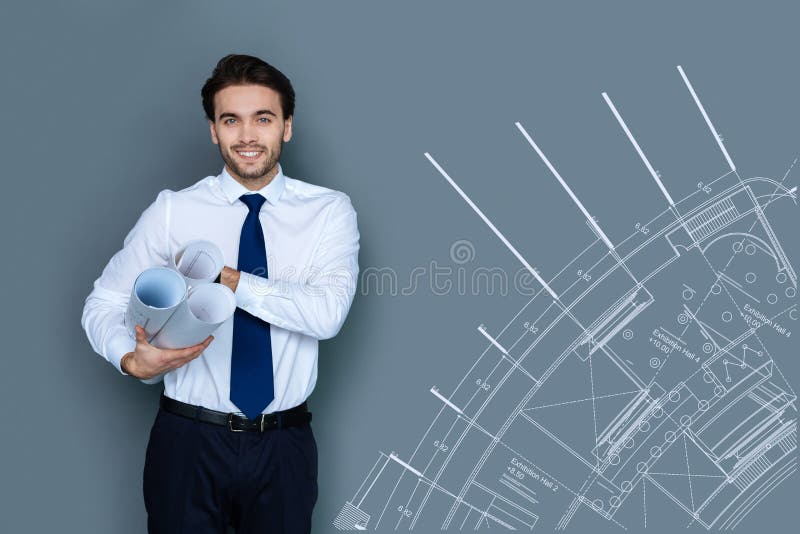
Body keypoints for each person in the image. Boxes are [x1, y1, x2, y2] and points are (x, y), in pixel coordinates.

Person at [81, 54, 360, 533]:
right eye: (231, 120)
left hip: (283, 445)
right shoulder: (174, 211)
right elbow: (103, 302)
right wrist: (129, 358)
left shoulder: (329, 212)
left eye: (263, 119)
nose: (247, 136)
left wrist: (229, 281)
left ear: (287, 127)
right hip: (188, 441)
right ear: (214, 129)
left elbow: (327, 315)